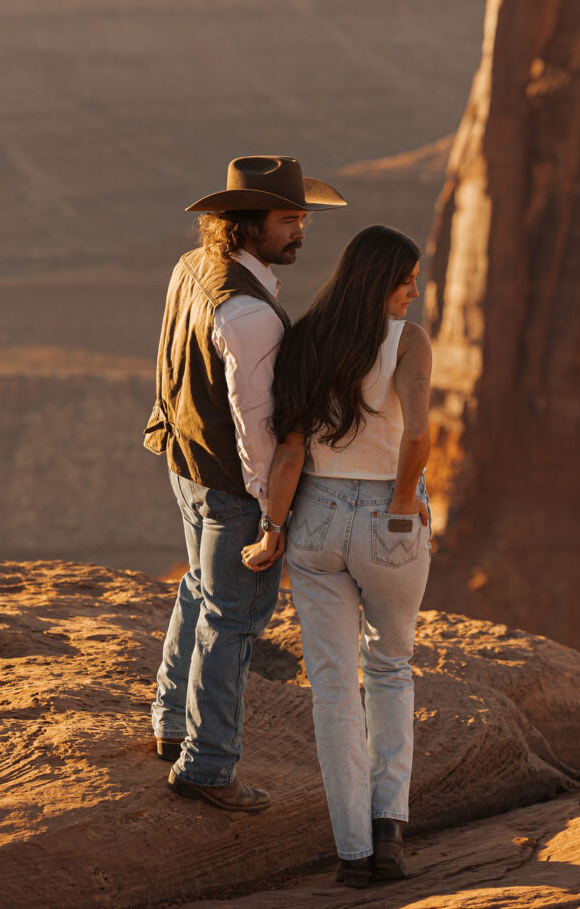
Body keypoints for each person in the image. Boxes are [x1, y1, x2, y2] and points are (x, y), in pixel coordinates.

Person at [143, 155, 346, 813]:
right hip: (233, 486)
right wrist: (274, 516)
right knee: (233, 622)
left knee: (200, 590)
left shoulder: (192, 267)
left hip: (186, 461)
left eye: (303, 217)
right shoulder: (250, 315)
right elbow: (258, 429)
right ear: (247, 224)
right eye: (289, 220)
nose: (301, 230)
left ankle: (172, 726)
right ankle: (207, 765)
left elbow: (171, 358)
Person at [242, 225, 432, 881]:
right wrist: (406, 502)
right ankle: (389, 834)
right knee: (390, 669)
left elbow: (290, 450)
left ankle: (352, 855)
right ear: (380, 281)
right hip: (388, 518)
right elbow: (419, 436)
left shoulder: (306, 339)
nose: (414, 291)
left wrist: (273, 529)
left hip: (316, 518)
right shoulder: (408, 342)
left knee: (332, 689)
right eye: (405, 280)